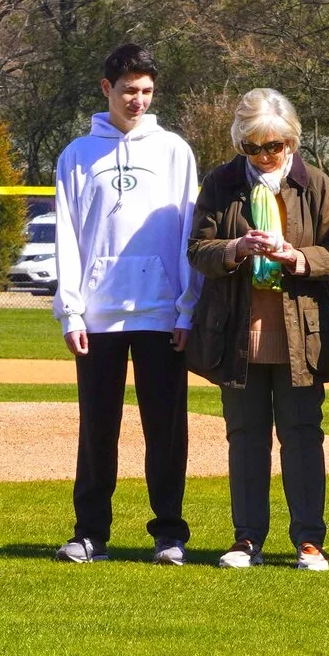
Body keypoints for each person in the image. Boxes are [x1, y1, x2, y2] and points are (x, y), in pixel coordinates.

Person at [187, 89, 329, 570]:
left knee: (303, 435)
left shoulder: (315, 184)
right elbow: (198, 250)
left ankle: (308, 540)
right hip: (237, 331)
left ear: (291, 142)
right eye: (252, 147)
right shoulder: (220, 183)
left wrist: (297, 257)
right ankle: (246, 539)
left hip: (301, 331)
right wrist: (236, 247)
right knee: (245, 435)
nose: (263, 156)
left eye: (273, 146)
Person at [51, 43, 201, 564]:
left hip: (162, 313)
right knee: (98, 431)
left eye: (146, 91)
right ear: (106, 90)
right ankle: (90, 533)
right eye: (128, 90)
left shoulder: (175, 151)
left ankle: (169, 534)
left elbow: (189, 234)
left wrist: (187, 308)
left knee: (166, 429)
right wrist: (70, 310)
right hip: (98, 316)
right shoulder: (77, 155)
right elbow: (67, 237)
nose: (137, 100)